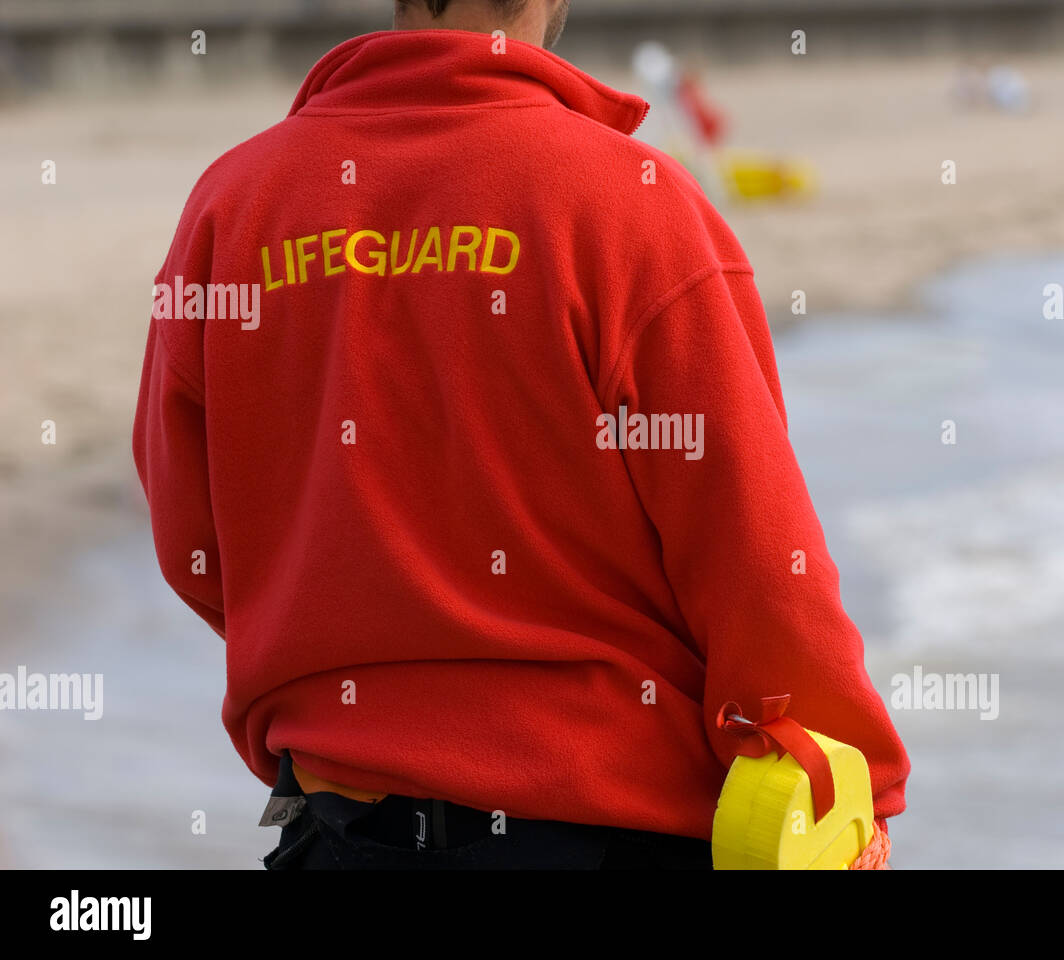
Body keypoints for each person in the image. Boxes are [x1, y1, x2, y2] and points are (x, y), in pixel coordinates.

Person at [132, 0, 910, 869]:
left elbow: (191, 544)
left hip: (337, 835)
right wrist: (857, 788)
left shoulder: (234, 204)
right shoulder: (630, 205)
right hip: (608, 833)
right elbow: (758, 562)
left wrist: (348, 661)